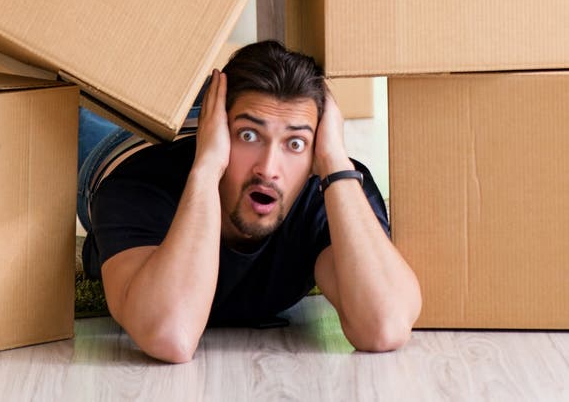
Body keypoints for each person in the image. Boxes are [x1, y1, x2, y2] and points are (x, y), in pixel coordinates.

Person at [79, 41, 422, 363]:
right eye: (248, 136)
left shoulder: (332, 190)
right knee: (73, 109)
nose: (269, 170)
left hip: (223, 124)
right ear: (219, 136)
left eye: (296, 143)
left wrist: (334, 161)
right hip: (122, 149)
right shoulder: (140, 188)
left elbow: (385, 326)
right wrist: (206, 169)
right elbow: (170, 334)